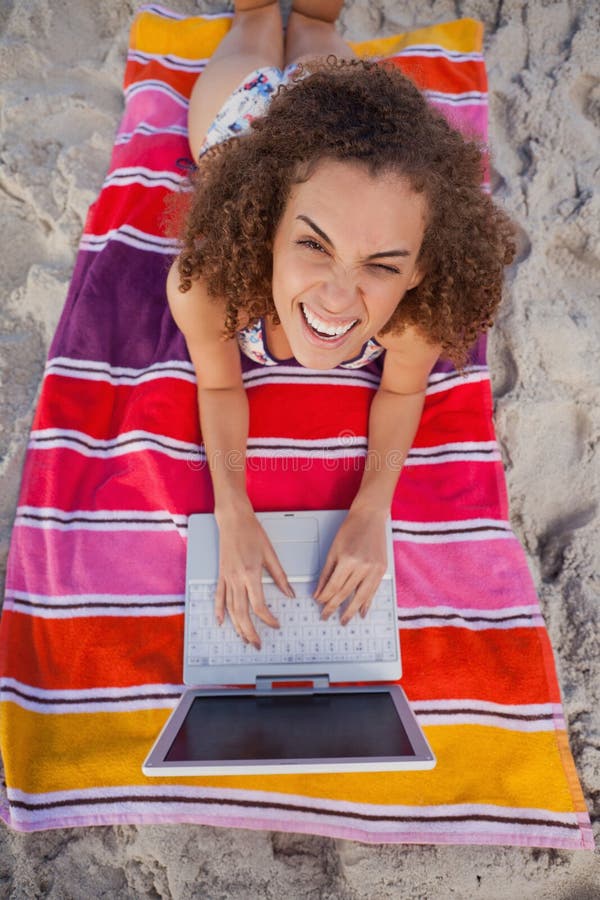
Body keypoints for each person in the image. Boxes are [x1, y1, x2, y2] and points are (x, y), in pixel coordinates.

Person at [167, 0, 515, 649]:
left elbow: (403, 390)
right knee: (254, 23)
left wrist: (371, 507)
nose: (337, 298)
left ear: (418, 268)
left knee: (319, 28)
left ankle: (312, 24)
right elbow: (217, 389)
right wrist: (232, 507)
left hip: (326, 120)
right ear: (267, 229)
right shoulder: (211, 290)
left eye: (382, 265)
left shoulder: (414, 320)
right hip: (243, 117)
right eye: (313, 246)